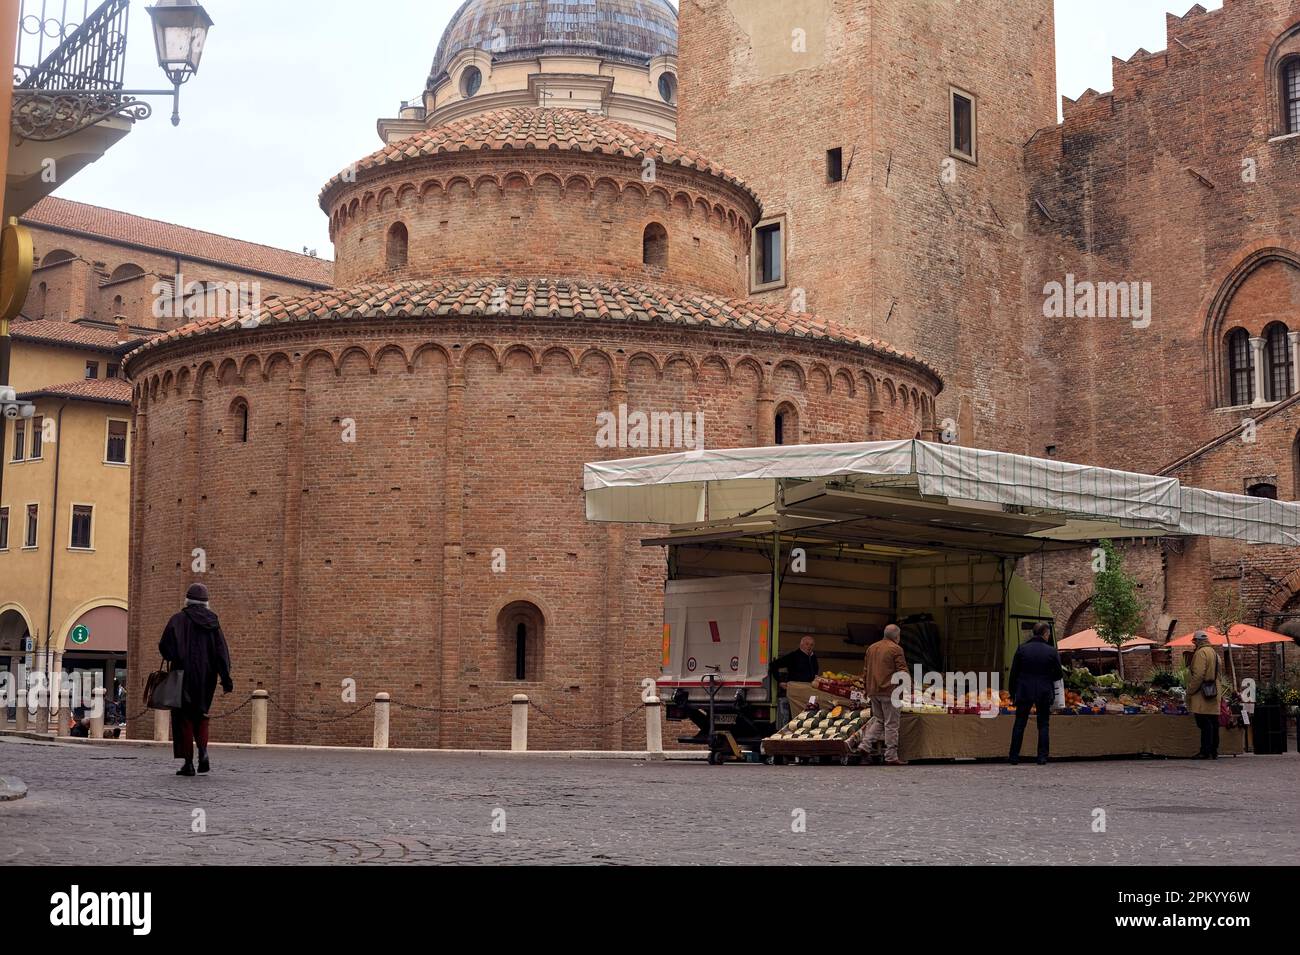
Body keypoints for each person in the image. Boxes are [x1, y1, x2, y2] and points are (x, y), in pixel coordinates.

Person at [159, 583, 233, 776]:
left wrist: (175, 655)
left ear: (187, 600)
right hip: (207, 677)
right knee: (201, 714)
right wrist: (225, 678)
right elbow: (221, 652)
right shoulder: (213, 623)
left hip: (183, 675)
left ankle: (189, 763)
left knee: (184, 718)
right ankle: (204, 752)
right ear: (206, 602)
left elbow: (165, 646)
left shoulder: (178, 620)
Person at [1008, 622, 1062, 765]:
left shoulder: (1022, 649)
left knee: (1020, 723)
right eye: (1049, 633)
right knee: (1043, 724)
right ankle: (1042, 757)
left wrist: (1013, 693)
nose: (1049, 635)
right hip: (1044, 690)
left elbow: (1013, 674)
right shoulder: (1051, 651)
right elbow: (1058, 675)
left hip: (1024, 690)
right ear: (1045, 633)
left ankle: (1014, 756)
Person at [860, 624, 909, 766]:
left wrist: (866, 689)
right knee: (891, 724)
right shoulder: (896, 649)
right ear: (897, 636)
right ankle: (891, 756)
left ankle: (865, 745)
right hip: (890, 691)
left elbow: (865, 670)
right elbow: (902, 671)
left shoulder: (871, 648)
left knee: (879, 720)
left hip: (873, 691)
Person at [769, 635, 819, 728]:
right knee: (794, 717)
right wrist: (780, 681)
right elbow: (773, 665)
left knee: (808, 715)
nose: (809, 647)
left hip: (809, 692)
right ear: (801, 644)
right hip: (795, 692)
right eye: (807, 644)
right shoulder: (793, 656)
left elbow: (815, 672)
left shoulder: (813, 657)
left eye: (812, 645)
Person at [1186, 631, 1221, 759]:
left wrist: (1190, 690)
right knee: (1213, 721)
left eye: (1194, 641)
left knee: (1204, 722)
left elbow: (1199, 675)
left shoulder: (1201, 653)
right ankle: (1214, 750)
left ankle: (1205, 751)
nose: (1193, 643)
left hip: (1202, 692)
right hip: (1214, 690)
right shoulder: (1215, 653)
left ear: (1197, 641)